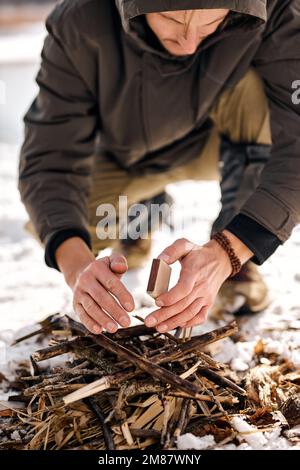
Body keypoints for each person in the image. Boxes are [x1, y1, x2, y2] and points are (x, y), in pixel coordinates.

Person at [19, 0, 300, 334]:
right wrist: (77, 267)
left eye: (210, 23)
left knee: (262, 96)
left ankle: (237, 271)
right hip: (124, 159)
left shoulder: (280, 9)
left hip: (218, 140)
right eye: (170, 18)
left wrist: (228, 251)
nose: (189, 43)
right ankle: (141, 214)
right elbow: (50, 159)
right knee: (56, 225)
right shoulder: (78, 22)